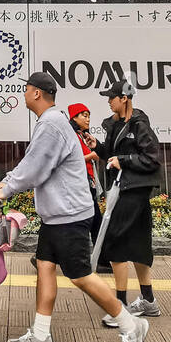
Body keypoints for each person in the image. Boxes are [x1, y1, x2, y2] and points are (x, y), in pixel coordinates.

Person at [0, 72, 149, 342]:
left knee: (80, 276)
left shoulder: (51, 124)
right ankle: (40, 336)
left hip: (68, 215)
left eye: (26, 90)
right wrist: (12, 181)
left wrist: (8, 185)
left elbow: (35, 166)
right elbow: (36, 164)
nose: (24, 94)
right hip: (57, 215)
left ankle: (131, 326)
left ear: (37, 93)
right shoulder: (52, 122)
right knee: (45, 267)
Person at [90, 79, 163, 320]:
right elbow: (113, 155)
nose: (108, 101)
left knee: (116, 245)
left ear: (124, 98)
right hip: (128, 191)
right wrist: (99, 148)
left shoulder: (139, 125)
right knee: (139, 246)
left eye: (112, 97)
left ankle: (119, 307)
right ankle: (148, 300)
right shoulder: (117, 124)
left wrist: (126, 161)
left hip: (132, 191)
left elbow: (152, 158)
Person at [67, 103, 110, 272]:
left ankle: (47, 254)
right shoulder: (71, 135)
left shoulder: (83, 135)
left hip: (87, 183)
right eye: (83, 115)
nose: (87, 118)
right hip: (80, 185)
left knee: (92, 222)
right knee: (92, 222)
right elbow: (71, 158)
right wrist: (92, 155)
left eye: (88, 115)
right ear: (74, 118)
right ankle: (101, 260)